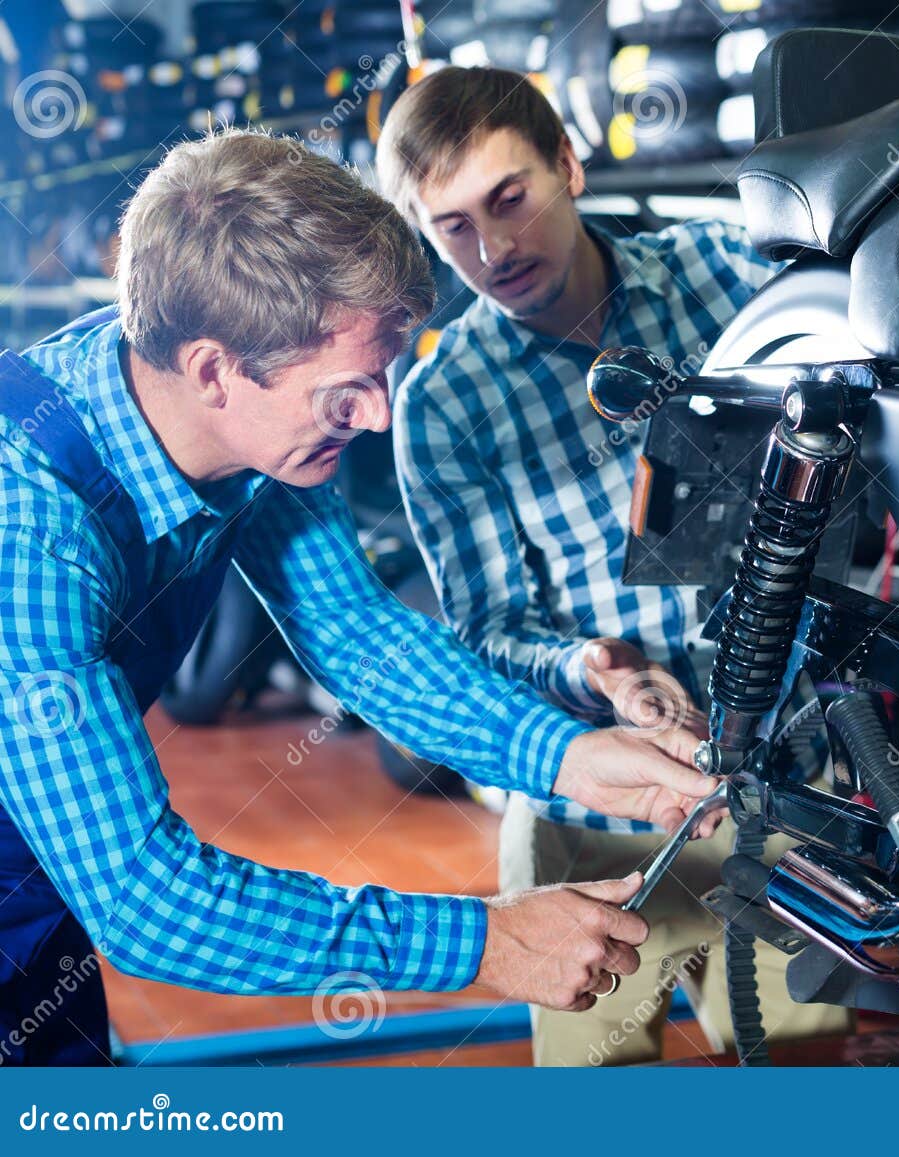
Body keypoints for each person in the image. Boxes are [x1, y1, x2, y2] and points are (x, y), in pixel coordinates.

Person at [0, 129, 721, 1067]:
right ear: (216, 370)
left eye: (385, 374)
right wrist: (486, 943)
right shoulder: (29, 527)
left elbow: (356, 633)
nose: (380, 415)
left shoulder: (211, 401)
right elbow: (146, 902)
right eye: (347, 391)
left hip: (34, 886)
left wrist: (575, 757)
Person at [378, 66, 852, 1065]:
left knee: (805, 1073)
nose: (494, 248)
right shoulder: (441, 401)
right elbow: (486, 627)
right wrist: (601, 666)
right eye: (453, 225)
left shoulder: (727, 277)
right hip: (585, 831)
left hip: (774, 792)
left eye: (510, 198)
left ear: (567, 163)